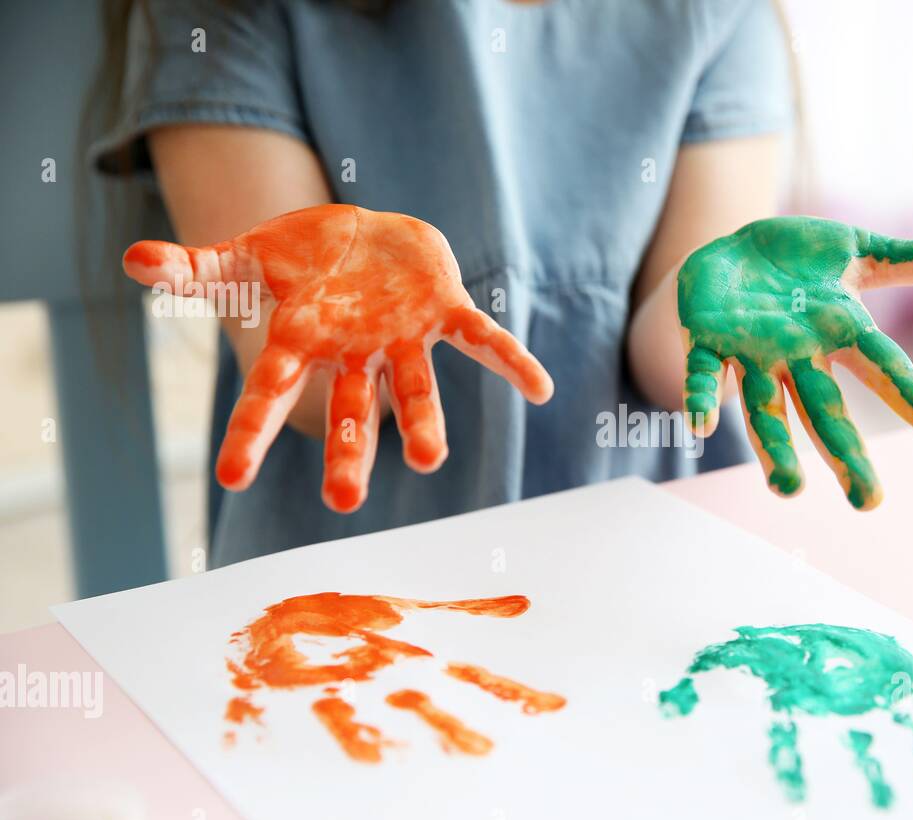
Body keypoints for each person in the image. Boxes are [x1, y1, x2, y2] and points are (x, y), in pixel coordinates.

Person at [92, 0, 794, 566]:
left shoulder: (720, 14)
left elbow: (677, 365)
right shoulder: (224, 14)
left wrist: (733, 303)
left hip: (638, 575)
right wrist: (359, 300)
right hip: (356, 594)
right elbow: (312, 388)